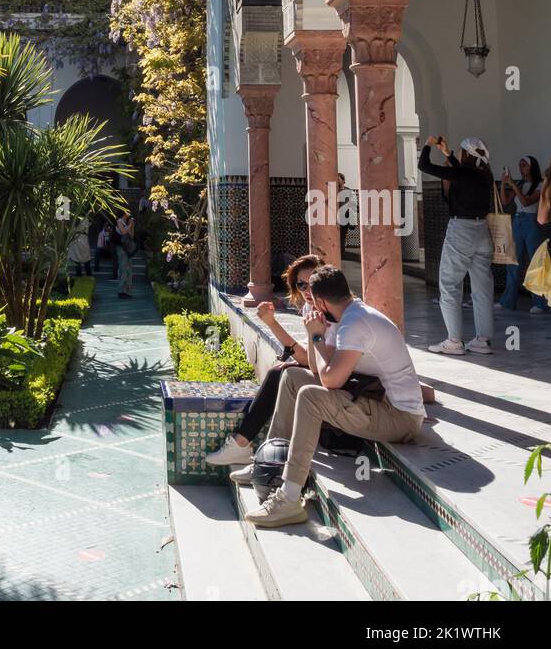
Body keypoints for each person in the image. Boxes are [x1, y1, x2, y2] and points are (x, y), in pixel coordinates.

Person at [242, 265, 425, 528]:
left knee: (310, 396)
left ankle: (289, 499)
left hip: (400, 418)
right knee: (293, 377)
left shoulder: (355, 324)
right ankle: (269, 462)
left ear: (321, 301)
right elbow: (317, 369)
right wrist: (314, 333)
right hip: (376, 404)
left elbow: (330, 380)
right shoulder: (347, 315)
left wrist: (316, 334)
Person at [207, 254, 328, 470]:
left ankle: (252, 451)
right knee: (279, 372)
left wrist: (272, 324)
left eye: (313, 283)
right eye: (301, 284)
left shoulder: (332, 312)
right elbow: (310, 357)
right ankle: (252, 449)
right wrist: (273, 324)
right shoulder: (311, 309)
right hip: (326, 379)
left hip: (347, 390)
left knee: (281, 373)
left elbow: (312, 363)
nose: (307, 290)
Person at [418, 135, 495, 354]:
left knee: (450, 285)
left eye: (461, 151)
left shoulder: (463, 174)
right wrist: (449, 154)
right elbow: (462, 173)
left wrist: (428, 145)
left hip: (461, 231)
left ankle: (454, 341)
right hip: (482, 232)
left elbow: (423, 165)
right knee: (482, 289)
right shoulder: (485, 175)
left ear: (467, 154)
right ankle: (483, 341)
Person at [498, 155, 548, 314]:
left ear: (532, 167)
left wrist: (514, 185)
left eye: (524, 165)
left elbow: (526, 202)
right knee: (512, 262)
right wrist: (504, 184)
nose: (521, 168)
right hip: (518, 221)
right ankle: (507, 301)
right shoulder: (519, 184)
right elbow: (505, 203)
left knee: (535, 262)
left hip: (532, 223)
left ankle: (539, 303)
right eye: (520, 165)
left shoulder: (540, 185)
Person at [116, 222, 136, 298]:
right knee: (123, 269)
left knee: (128, 271)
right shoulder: (120, 221)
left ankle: (127, 291)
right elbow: (123, 232)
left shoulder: (127, 223)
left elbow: (131, 236)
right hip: (122, 248)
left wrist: (132, 226)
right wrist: (130, 225)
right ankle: (121, 291)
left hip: (128, 249)